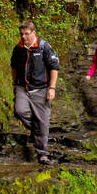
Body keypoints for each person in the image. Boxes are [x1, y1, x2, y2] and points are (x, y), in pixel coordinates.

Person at [11, 20, 60, 164]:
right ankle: (35, 132)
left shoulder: (44, 47)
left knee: (43, 122)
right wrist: (14, 83)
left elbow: (54, 67)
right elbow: (13, 66)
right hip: (22, 87)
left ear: (33, 33)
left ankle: (43, 154)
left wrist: (52, 88)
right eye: (21, 34)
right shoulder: (18, 48)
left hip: (41, 89)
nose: (24, 37)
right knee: (19, 111)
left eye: (27, 34)